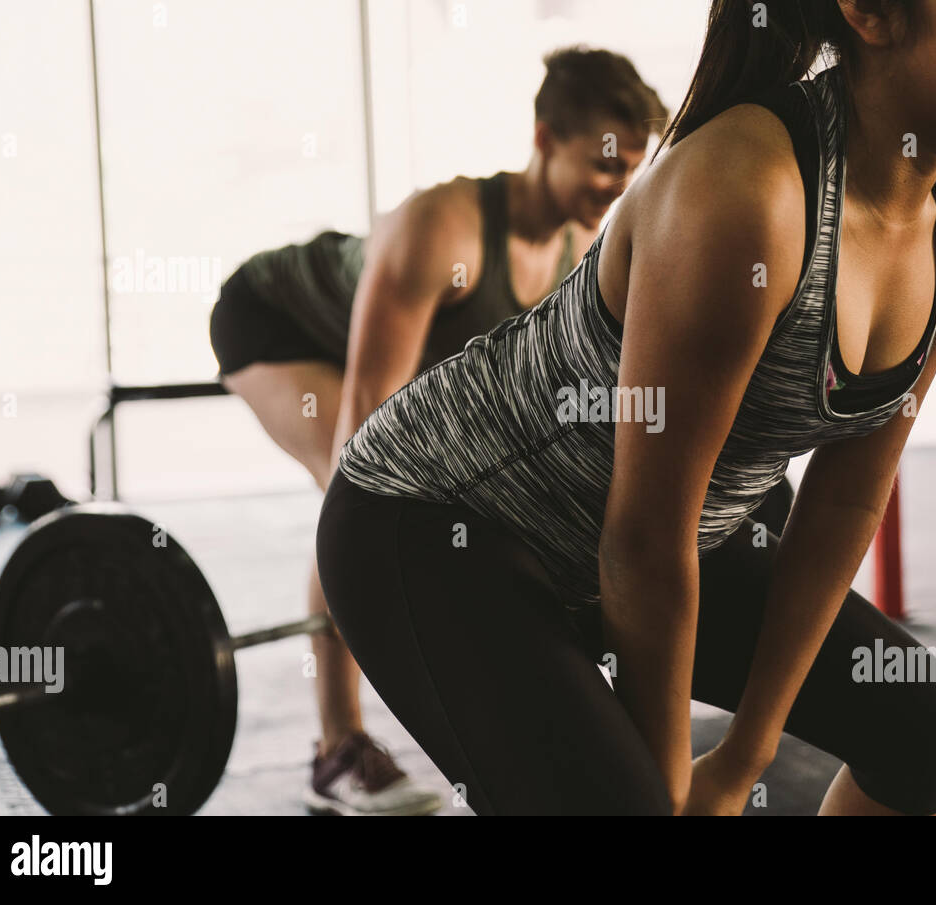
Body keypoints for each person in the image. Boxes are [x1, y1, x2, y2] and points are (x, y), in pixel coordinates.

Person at [317, 0, 936, 815]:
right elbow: (643, 536)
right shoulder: (746, 187)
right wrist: (667, 785)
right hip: (439, 523)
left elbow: (848, 495)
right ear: (871, 13)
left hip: (669, 541)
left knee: (923, 725)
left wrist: (748, 751)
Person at [208, 46, 669, 815]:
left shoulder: (576, 251)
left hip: (365, 334)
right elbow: (367, 448)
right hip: (275, 323)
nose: (617, 185)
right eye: (603, 164)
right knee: (347, 490)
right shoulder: (443, 229)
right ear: (545, 138)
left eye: (630, 169)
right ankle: (335, 749)